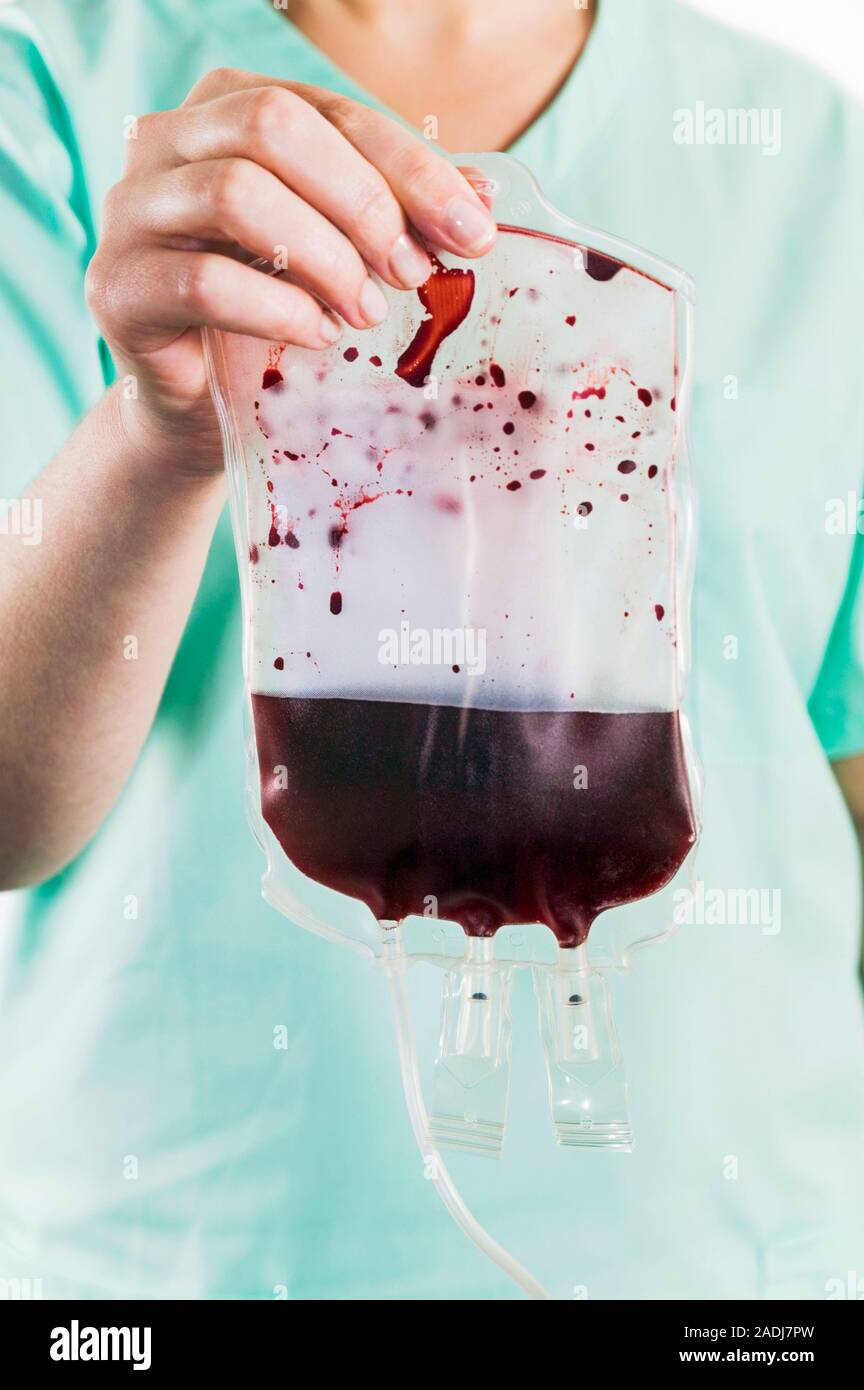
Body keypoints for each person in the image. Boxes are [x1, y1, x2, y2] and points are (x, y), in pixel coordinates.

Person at [1, 0, 862, 1301]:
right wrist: (162, 429)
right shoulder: (62, 97)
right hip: (193, 1266)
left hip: (742, 1275)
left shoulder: (816, 159)